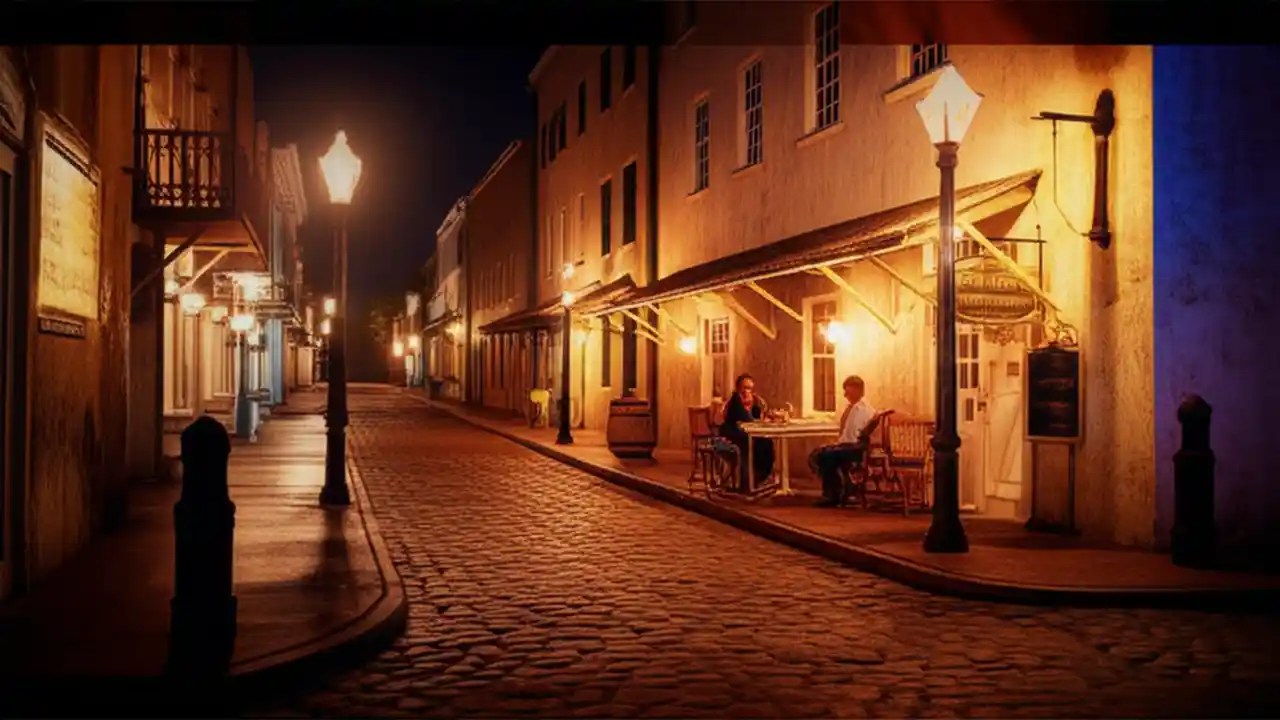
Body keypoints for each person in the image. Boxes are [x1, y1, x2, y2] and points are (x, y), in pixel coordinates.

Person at [812, 375, 876, 507]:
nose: (845, 394)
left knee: (828, 456)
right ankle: (835, 489)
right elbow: (846, 433)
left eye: (848, 390)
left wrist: (838, 446)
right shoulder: (851, 408)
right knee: (817, 454)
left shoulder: (864, 410)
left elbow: (856, 435)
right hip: (847, 446)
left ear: (857, 390)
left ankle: (832, 494)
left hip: (856, 448)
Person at [718, 373, 776, 493]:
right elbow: (746, 419)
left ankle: (760, 477)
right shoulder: (735, 401)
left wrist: (764, 417)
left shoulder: (754, 402)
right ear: (738, 388)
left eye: (749, 388)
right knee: (751, 445)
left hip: (748, 435)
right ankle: (748, 481)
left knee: (766, 442)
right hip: (732, 436)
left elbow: (758, 417)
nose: (746, 391)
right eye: (744, 388)